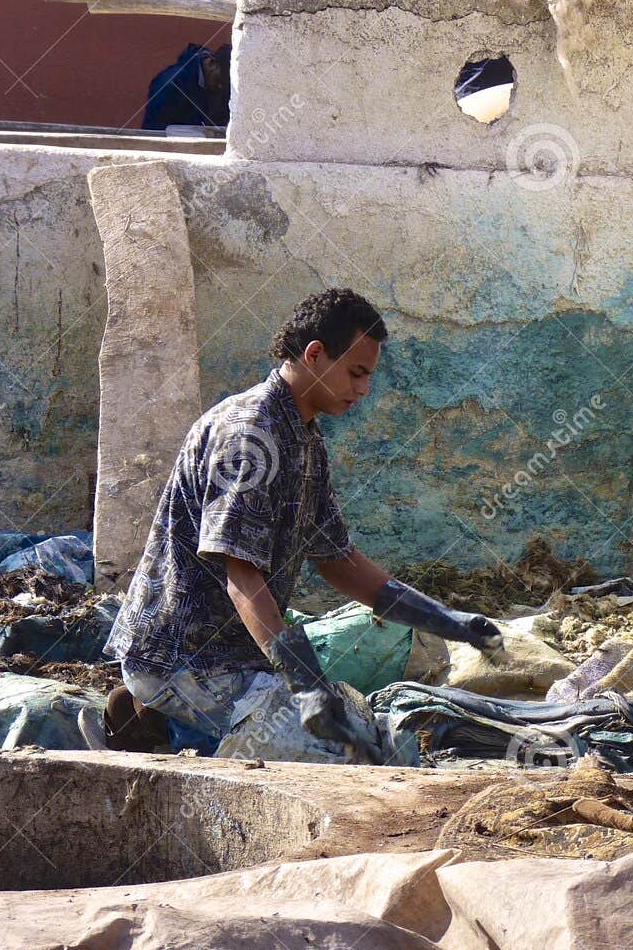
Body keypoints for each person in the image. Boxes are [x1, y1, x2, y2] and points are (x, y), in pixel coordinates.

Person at [95, 288, 501, 760]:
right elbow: (241, 578)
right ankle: (157, 704)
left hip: (239, 650)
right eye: (356, 373)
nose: (364, 389)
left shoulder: (303, 436)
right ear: (314, 355)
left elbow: (341, 561)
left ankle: (160, 718)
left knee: (364, 720)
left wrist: (450, 622)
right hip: (182, 657)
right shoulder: (251, 435)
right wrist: (305, 686)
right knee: (341, 754)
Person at [142, 43, 230, 131]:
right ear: (211, 63)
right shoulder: (171, 84)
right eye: (219, 79)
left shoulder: (210, 82)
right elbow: (154, 130)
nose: (220, 87)